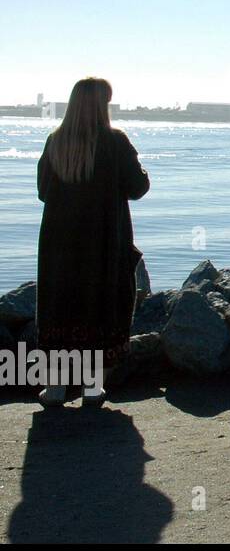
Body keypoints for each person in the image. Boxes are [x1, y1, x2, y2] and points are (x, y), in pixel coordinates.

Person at [36, 77, 149, 407]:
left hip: (59, 244)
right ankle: (92, 387)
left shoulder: (55, 141)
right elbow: (138, 187)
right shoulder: (115, 142)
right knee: (101, 306)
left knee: (60, 307)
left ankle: (55, 387)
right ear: (103, 105)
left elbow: (44, 191)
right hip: (103, 242)